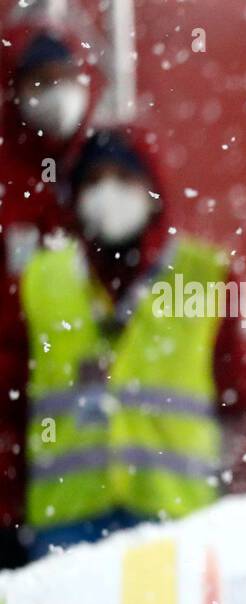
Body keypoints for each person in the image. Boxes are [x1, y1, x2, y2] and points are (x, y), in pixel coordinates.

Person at [7, 126, 246, 559]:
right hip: (65, 527)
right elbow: (11, 405)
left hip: (176, 519)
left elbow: (244, 400)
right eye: (93, 180)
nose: (107, 193)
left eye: (123, 178)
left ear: (151, 189)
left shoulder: (206, 275)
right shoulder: (40, 279)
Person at [0, 17, 104, 566]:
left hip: (90, 459)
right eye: (38, 81)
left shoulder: (103, 171)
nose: (53, 94)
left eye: (64, 78)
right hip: (24, 439)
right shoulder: (12, 184)